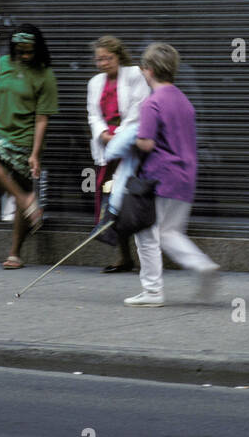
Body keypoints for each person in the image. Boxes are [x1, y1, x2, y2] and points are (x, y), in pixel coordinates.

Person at [123, 43, 219, 307]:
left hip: (160, 176)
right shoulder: (183, 100)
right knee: (170, 232)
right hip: (186, 176)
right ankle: (202, 265)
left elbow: (147, 143)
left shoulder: (151, 103)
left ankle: (153, 291)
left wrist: (127, 140)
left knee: (146, 233)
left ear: (149, 70)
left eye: (143, 68)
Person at [0, 24, 58, 269]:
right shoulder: (4, 63)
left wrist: (35, 153)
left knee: (21, 185)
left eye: (29, 51)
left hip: (26, 137)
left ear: (37, 50)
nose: (24, 56)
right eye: (20, 51)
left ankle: (15, 253)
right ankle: (26, 199)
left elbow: (42, 118)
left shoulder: (45, 74)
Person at [86, 35, 148, 273]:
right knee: (110, 199)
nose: (102, 63)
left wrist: (119, 138)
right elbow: (93, 114)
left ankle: (148, 256)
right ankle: (124, 256)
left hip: (129, 146)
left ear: (119, 56)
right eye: (99, 59)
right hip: (107, 150)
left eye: (107, 58)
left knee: (131, 200)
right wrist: (103, 134)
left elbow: (138, 110)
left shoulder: (134, 75)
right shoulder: (94, 83)